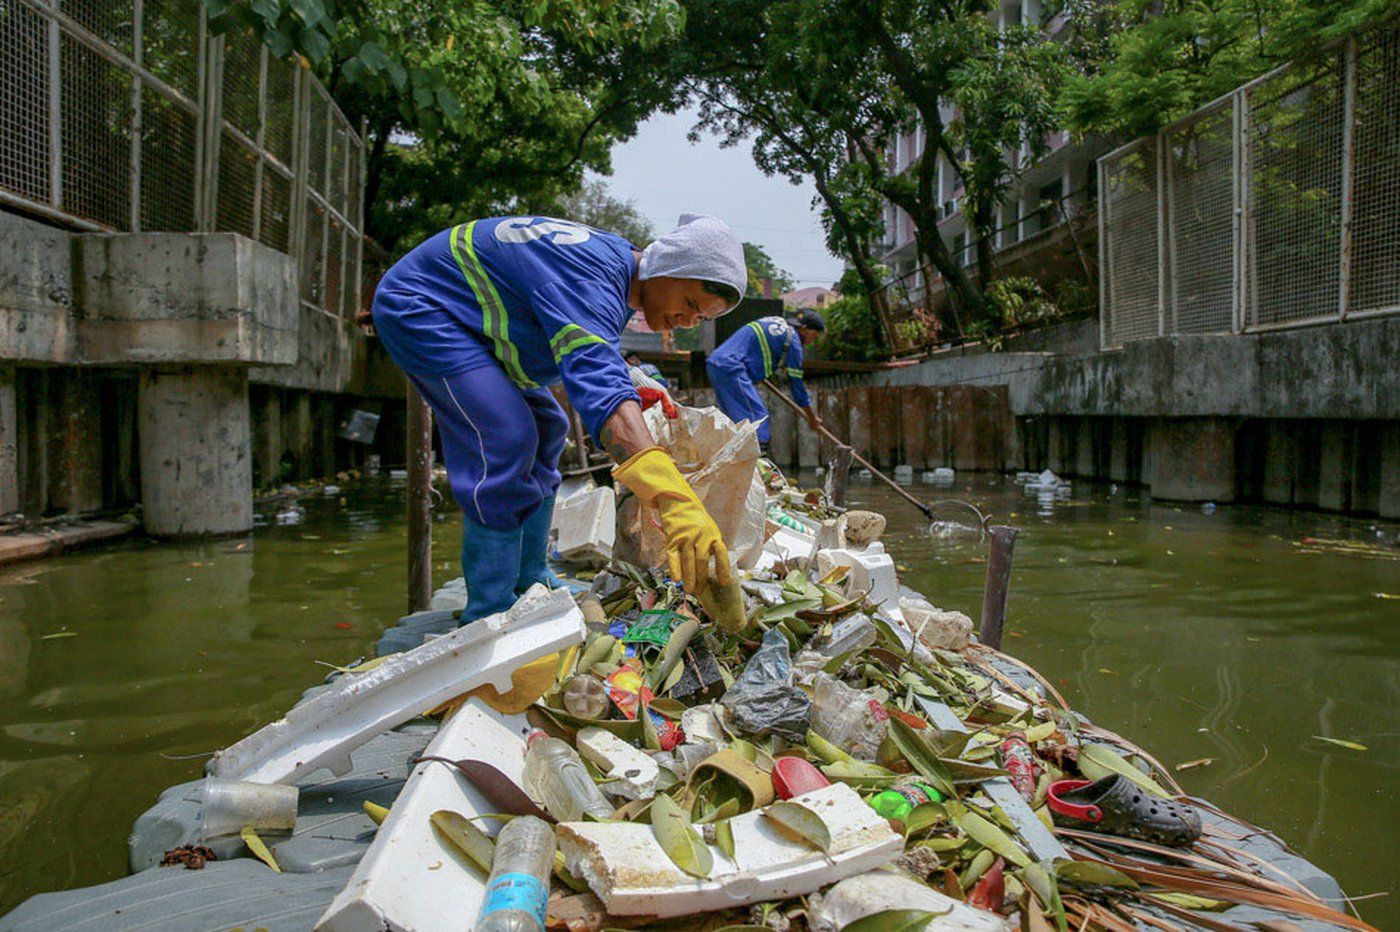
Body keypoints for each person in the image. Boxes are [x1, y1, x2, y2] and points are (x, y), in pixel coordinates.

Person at [372, 213, 746, 624]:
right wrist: (673, 498)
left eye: (702, 318)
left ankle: (531, 577)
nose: (689, 321)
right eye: (690, 304)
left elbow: (590, 352)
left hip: (476, 324)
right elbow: (596, 382)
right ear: (666, 267)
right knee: (504, 436)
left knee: (549, 426)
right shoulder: (593, 276)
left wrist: (631, 381)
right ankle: (489, 610)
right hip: (424, 307)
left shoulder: (614, 273)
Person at [707, 308, 824, 452]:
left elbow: (752, 349)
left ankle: (734, 464)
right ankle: (759, 466)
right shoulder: (793, 342)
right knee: (758, 419)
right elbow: (797, 387)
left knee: (736, 422)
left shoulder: (774, 321)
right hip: (732, 367)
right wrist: (811, 417)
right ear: (805, 329)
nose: (812, 341)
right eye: (814, 335)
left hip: (716, 363)